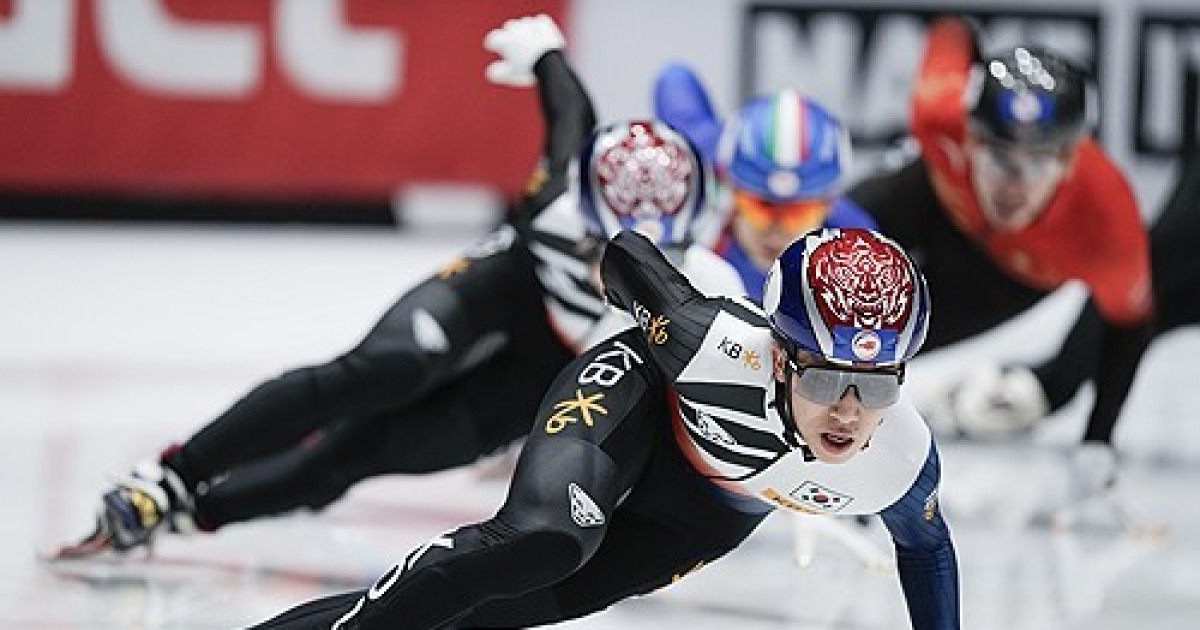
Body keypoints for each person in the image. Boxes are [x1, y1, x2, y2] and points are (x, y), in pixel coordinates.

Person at [52, 15, 744, 559]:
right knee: (380, 371)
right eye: (609, 239)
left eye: (658, 247)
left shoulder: (703, 274)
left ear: (692, 222)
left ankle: (181, 513)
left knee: (359, 454)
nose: (626, 257)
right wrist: (546, 56)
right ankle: (174, 472)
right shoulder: (553, 203)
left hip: (545, 366)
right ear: (583, 211)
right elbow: (570, 114)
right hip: (511, 285)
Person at [247, 226, 960, 630]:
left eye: (875, 385)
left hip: (701, 512)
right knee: (540, 544)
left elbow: (927, 553)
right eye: (827, 379)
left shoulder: (898, 459)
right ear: (779, 357)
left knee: (490, 613)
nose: (849, 412)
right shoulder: (710, 344)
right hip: (637, 403)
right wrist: (627, 296)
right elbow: (625, 254)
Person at [846, 17, 1155, 506]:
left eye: (1038, 163)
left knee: (878, 346)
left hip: (1002, 277)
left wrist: (1099, 436)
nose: (1014, 185)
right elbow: (952, 30)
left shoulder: (1106, 222)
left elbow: (1129, 326)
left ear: (1072, 160)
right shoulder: (936, 112)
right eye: (999, 158)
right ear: (967, 139)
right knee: (819, 257)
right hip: (931, 199)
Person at [653, 64, 877, 301]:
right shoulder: (704, 160)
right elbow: (673, 79)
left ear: (829, 204)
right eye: (761, 206)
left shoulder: (859, 253)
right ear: (730, 185)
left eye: (798, 213)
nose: (776, 231)